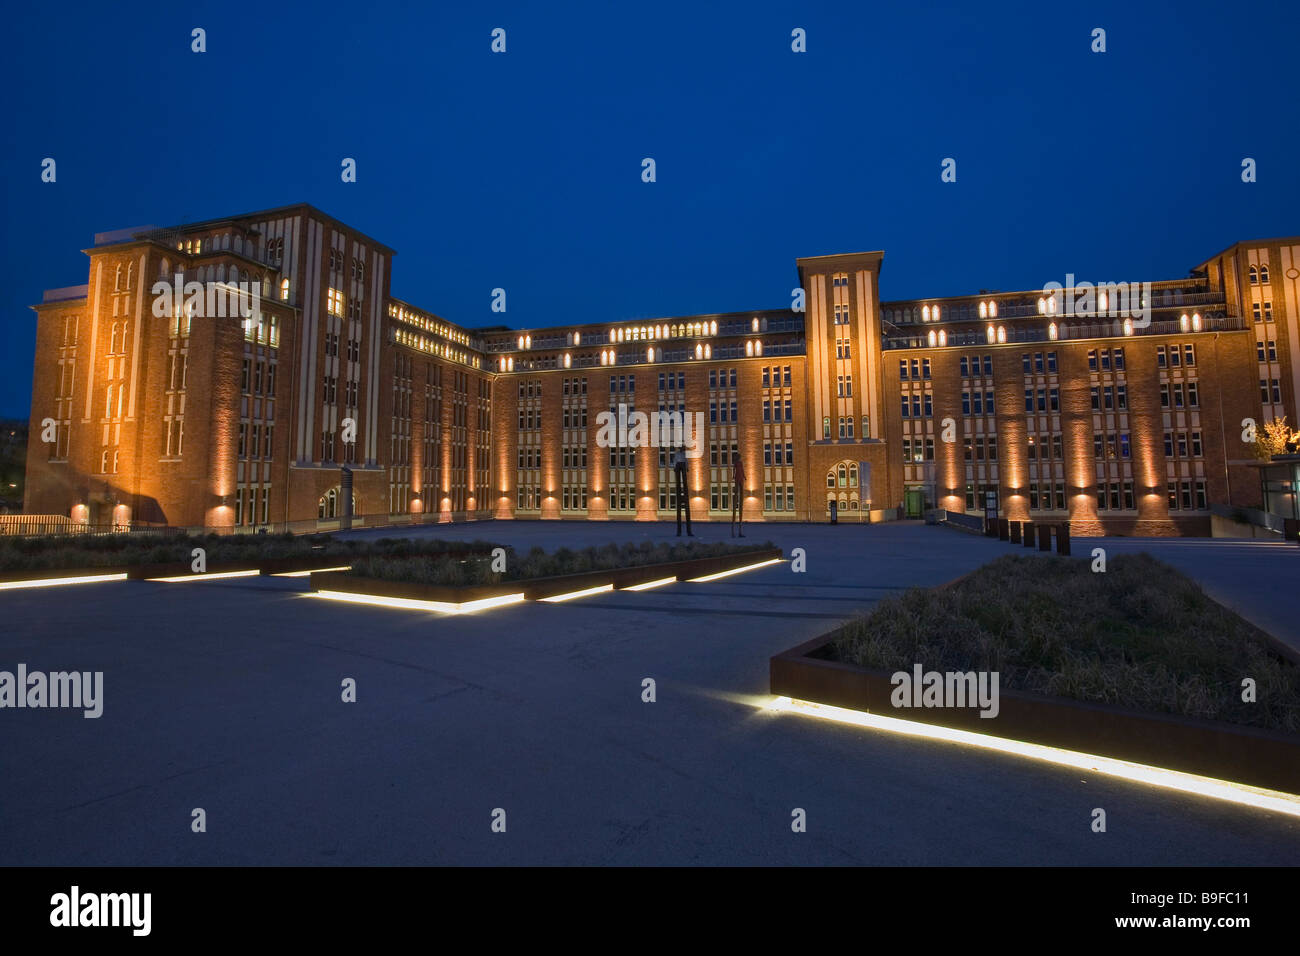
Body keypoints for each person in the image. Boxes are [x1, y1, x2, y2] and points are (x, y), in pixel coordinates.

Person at [674, 445, 693, 537]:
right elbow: (675, 460)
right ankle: (679, 532)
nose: (684, 450)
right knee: (678, 482)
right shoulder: (677, 454)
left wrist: (688, 467)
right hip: (678, 465)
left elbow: (687, 461)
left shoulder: (685, 454)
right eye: (683, 448)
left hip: (683, 465)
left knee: (684, 481)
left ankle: (687, 531)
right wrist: (674, 466)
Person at [730, 451, 745, 537]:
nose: (739, 458)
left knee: (741, 501)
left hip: (741, 479)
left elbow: (742, 470)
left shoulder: (740, 463)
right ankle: (733, 531)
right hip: (737, 478)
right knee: (736, 497)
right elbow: (734, 470)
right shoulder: (736, 463)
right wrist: (733, 475)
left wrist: (745, 476)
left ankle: (739, 531)